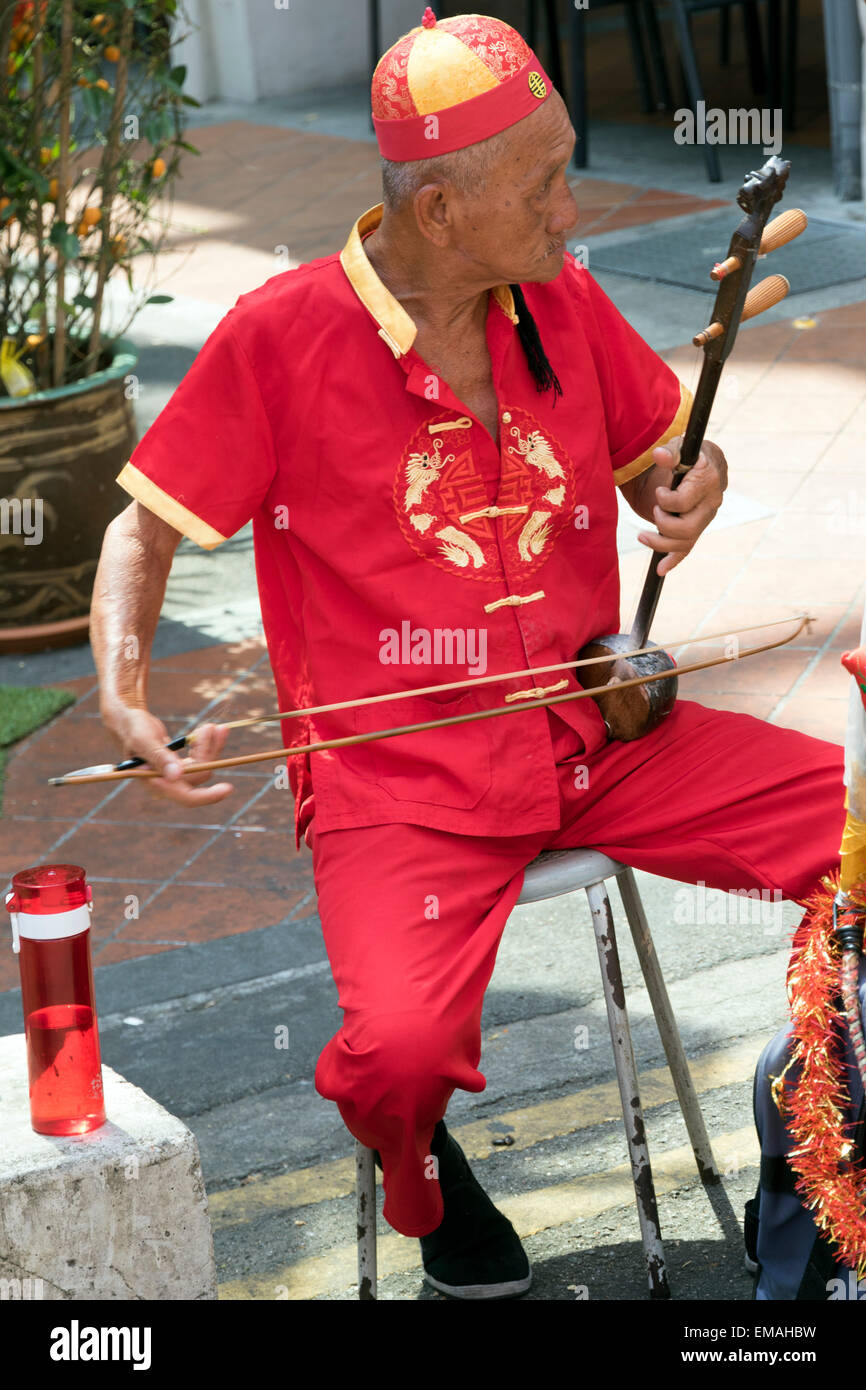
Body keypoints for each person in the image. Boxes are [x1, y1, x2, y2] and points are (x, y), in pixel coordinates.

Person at [90, 9, 845, 1299]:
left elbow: (664, 452)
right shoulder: (282, 335)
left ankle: (828, 1150)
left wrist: (692, 480)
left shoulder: (557, 291)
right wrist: (120, 690)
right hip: (405, 788)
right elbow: (141, 529)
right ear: (438, 211)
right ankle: (426, 1180)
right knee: (393, 1059)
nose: (569, 211)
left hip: (595, 735)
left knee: (861, 836)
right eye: (543, 183)